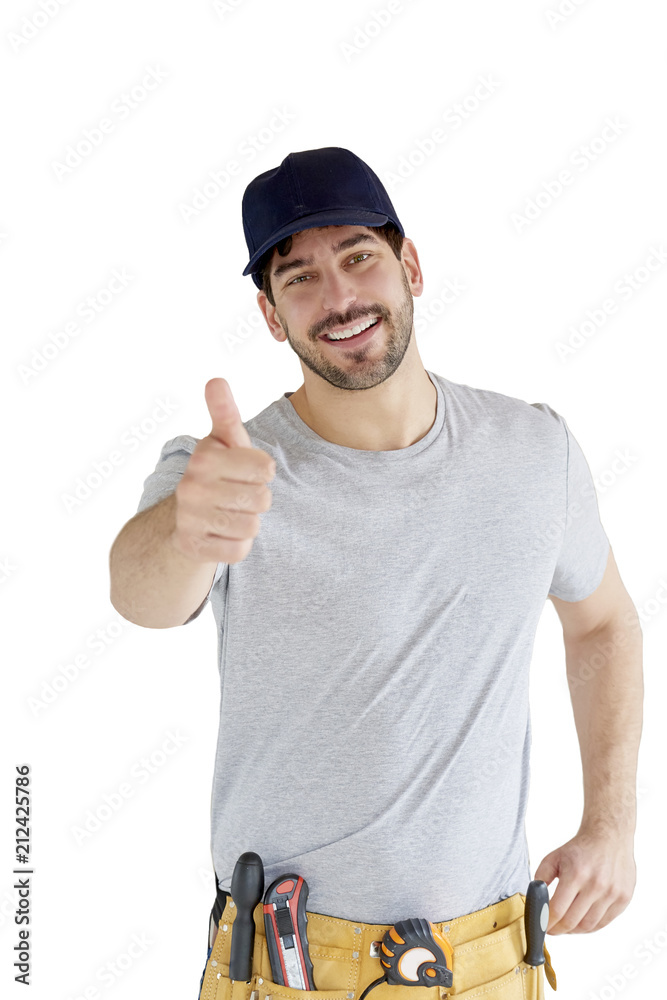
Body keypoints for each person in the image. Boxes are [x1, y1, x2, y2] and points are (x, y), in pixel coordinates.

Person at [108, 147, 643, 999]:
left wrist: (609, 825)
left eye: (357, 256)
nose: (340, 298)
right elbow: (139, 595)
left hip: (499, 962)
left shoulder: (535, 451)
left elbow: (603, 622)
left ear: (411, 266)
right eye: (299, 279)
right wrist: (187, 528)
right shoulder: (224, 470)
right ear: (271, 316)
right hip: (291, 971)